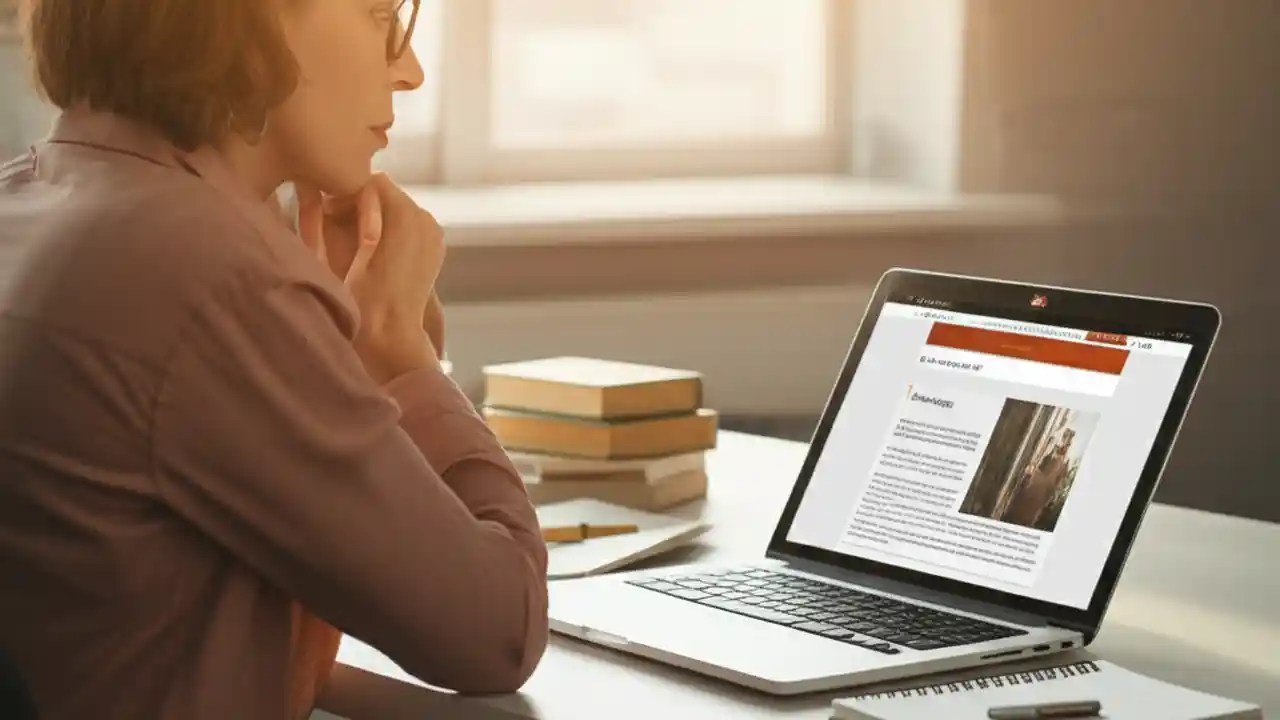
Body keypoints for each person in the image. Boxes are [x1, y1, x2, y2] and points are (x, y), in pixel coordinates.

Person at [0, 1, 548, 718]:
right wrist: (400, 353)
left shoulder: (24, 199)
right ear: (252, 19)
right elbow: (499, 630)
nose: (410, 72)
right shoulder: (209, 275)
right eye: (380, 15)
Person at [1004, 429, 1075, 528]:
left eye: (1068, 439)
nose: (1066, 441)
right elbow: (1039, 462)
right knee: (1017, 510)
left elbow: (1058, 482)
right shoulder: (1054, 449)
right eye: (1065, 437)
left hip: (1042, 489)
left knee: (1025, 515)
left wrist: (1048, 497)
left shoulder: (1065, 461)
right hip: (1036, 484)